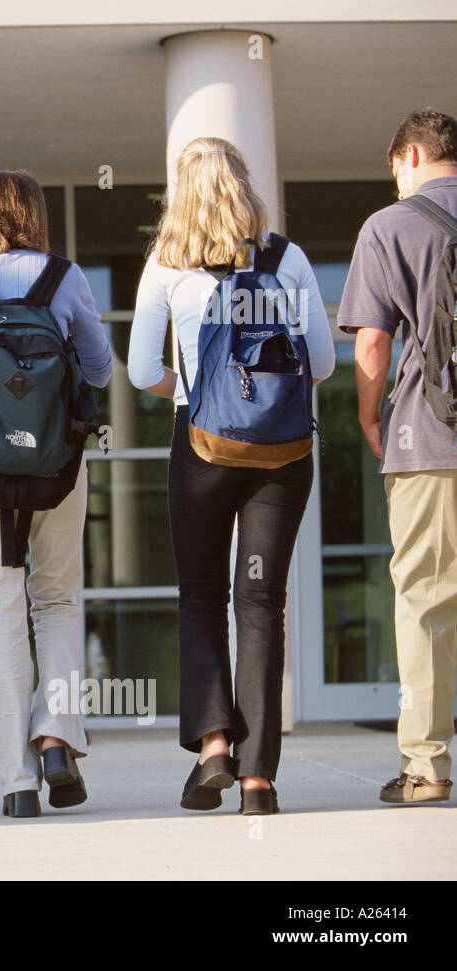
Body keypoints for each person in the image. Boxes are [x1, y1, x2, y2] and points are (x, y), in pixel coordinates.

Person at [128, 136, 335, 815]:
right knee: (261, 605)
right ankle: (258, 780)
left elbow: (137, 372)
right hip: (283, 454)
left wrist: (189, 389)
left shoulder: (167, 263)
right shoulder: (289, 258)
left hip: (203, 449)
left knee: (199, 597)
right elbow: (325, 366)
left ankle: (214, 743)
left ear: (179, 194)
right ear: (246, 186)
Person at [0, 169, 113, 818]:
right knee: (58, 599)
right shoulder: (65, 278)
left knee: (1, 611)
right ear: (36, 214)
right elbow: (98, 369)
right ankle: (57, 735)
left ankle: (16, 781)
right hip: (55, 464)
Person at [338, 108, 457, 805]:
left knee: (425, 599)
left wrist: (366, 412)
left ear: (410, 154)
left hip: (428, 437)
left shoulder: (390, 226)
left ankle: (427, 765)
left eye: (394, 168)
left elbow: (373, 345)